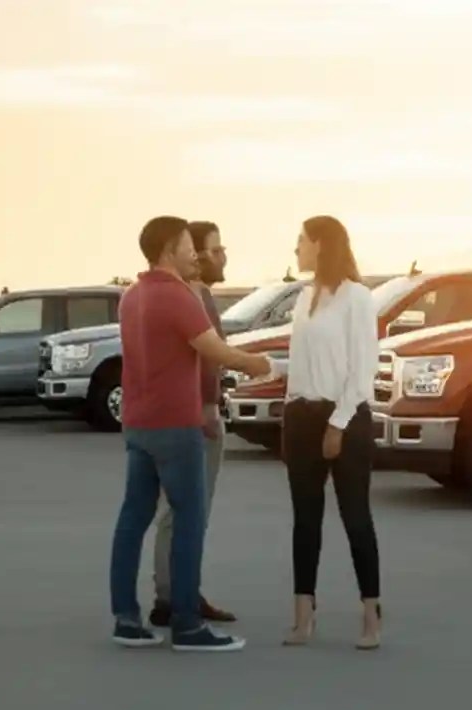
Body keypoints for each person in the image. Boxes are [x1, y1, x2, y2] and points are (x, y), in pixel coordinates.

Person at [109, 215, 271, 652]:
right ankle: (187, 625)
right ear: (167, 248)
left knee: (133, 519)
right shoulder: (178, 296)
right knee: (188, 522)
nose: (193, 252)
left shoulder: (131, 296)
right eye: (186, 244)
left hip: (138, 423)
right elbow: (212, 349)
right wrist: (256, 364)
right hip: (176, 427)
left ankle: (126, 618)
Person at [279, 215, 382, 650]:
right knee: (305, 521)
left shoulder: (357, 298)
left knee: (355, 517)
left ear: (321, 244)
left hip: (345, 419)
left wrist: (337, 424)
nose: (296, 249)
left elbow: (363, 369)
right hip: (300, 418)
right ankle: (303, 618)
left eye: (301, 241)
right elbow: (302, 364)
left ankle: (372, 616)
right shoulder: (304, 298)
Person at [148, 220, 237, 628]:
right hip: (195, 417)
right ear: (197, 256)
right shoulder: (195, 296)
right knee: (189, 511)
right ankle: (178, 596)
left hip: (170, 416)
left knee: (175, 509)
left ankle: (171, 593)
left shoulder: (180, 294)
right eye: (216, 250)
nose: (223, 257)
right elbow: (207, 355)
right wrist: (207, 405)